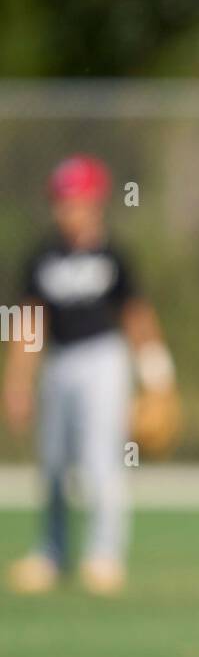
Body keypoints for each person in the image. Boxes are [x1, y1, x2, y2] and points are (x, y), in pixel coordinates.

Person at [3, 155, 175, 595]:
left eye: (75, 200)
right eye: (61, 201)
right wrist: (18, 382)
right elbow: (29, 322)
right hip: (59, 362)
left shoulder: (113, 254)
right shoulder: (43, 256)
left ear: (94, 203)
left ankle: (104, 556)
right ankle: (52, 553)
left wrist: (156, 374)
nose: (66, 210)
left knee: (102, 462)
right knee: (54, 464)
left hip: (104, 360)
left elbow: (136, 315)